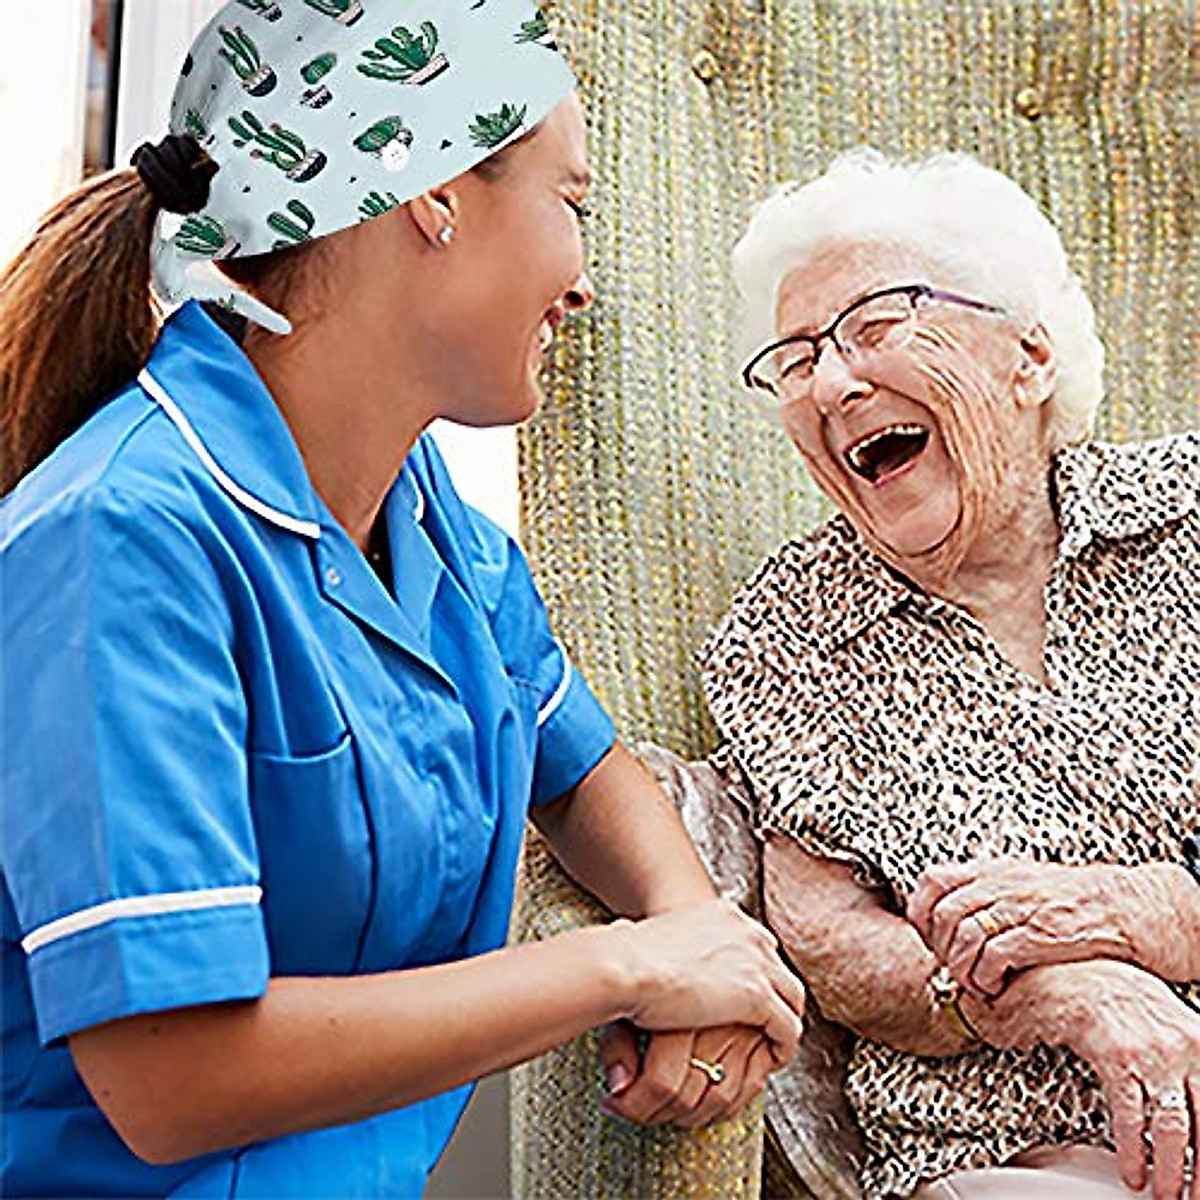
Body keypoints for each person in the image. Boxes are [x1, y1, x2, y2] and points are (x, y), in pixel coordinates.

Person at [0, 3, 805, 1194]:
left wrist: (703, 938)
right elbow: (171, 1078)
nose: (584, 281)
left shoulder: (422, 515)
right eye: (570, 205)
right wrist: (627, 969)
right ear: (433, 192)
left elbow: (576, 767)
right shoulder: (119, 538)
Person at [696, 149, 1199, 1199]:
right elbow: (831, 941)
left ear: (1029, 357)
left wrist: (1147, 913)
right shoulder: (787, 637)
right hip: (1019, 1160)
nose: (834, 381)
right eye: (796, 360)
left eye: (879, 325)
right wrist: (1070, 994)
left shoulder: (1189, 516)